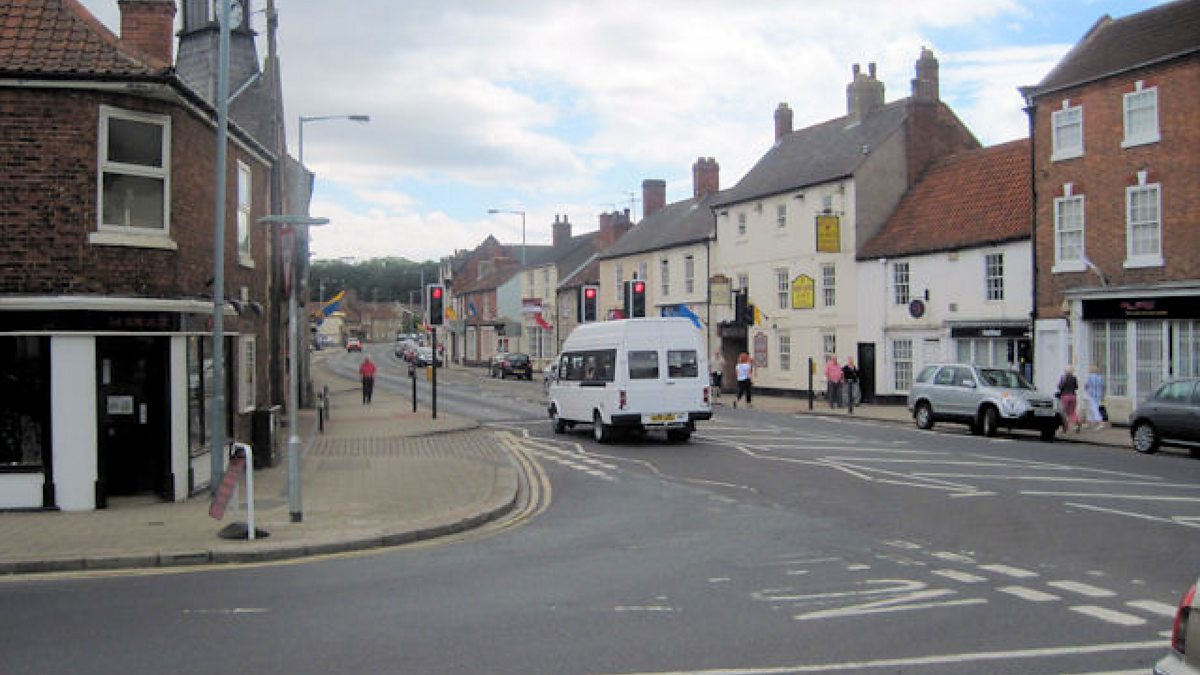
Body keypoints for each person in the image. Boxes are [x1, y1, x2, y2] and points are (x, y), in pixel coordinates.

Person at [1057, 365, 1081, 433]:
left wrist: (1059, 385)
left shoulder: (1063, 377)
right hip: (1073, 396)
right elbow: (1076, 387)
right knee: (1072, 412)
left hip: (1065, 396)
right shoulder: (1074, 378)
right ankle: (1077, 422)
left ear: (1065, 371)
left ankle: (1065, 428)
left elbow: (1060, 386)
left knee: (1064, 412)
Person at [1083, 364, 1106, 429]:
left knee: (1093, 409)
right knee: (1095, 408)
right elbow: (1103, 386)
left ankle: (1100, 422)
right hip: (1098, 395)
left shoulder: (1089, 377)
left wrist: (1086, 390)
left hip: (1091, 395)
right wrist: (1103, 395)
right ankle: (1091, 423)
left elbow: (1086, 385)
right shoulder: (1100, 377)